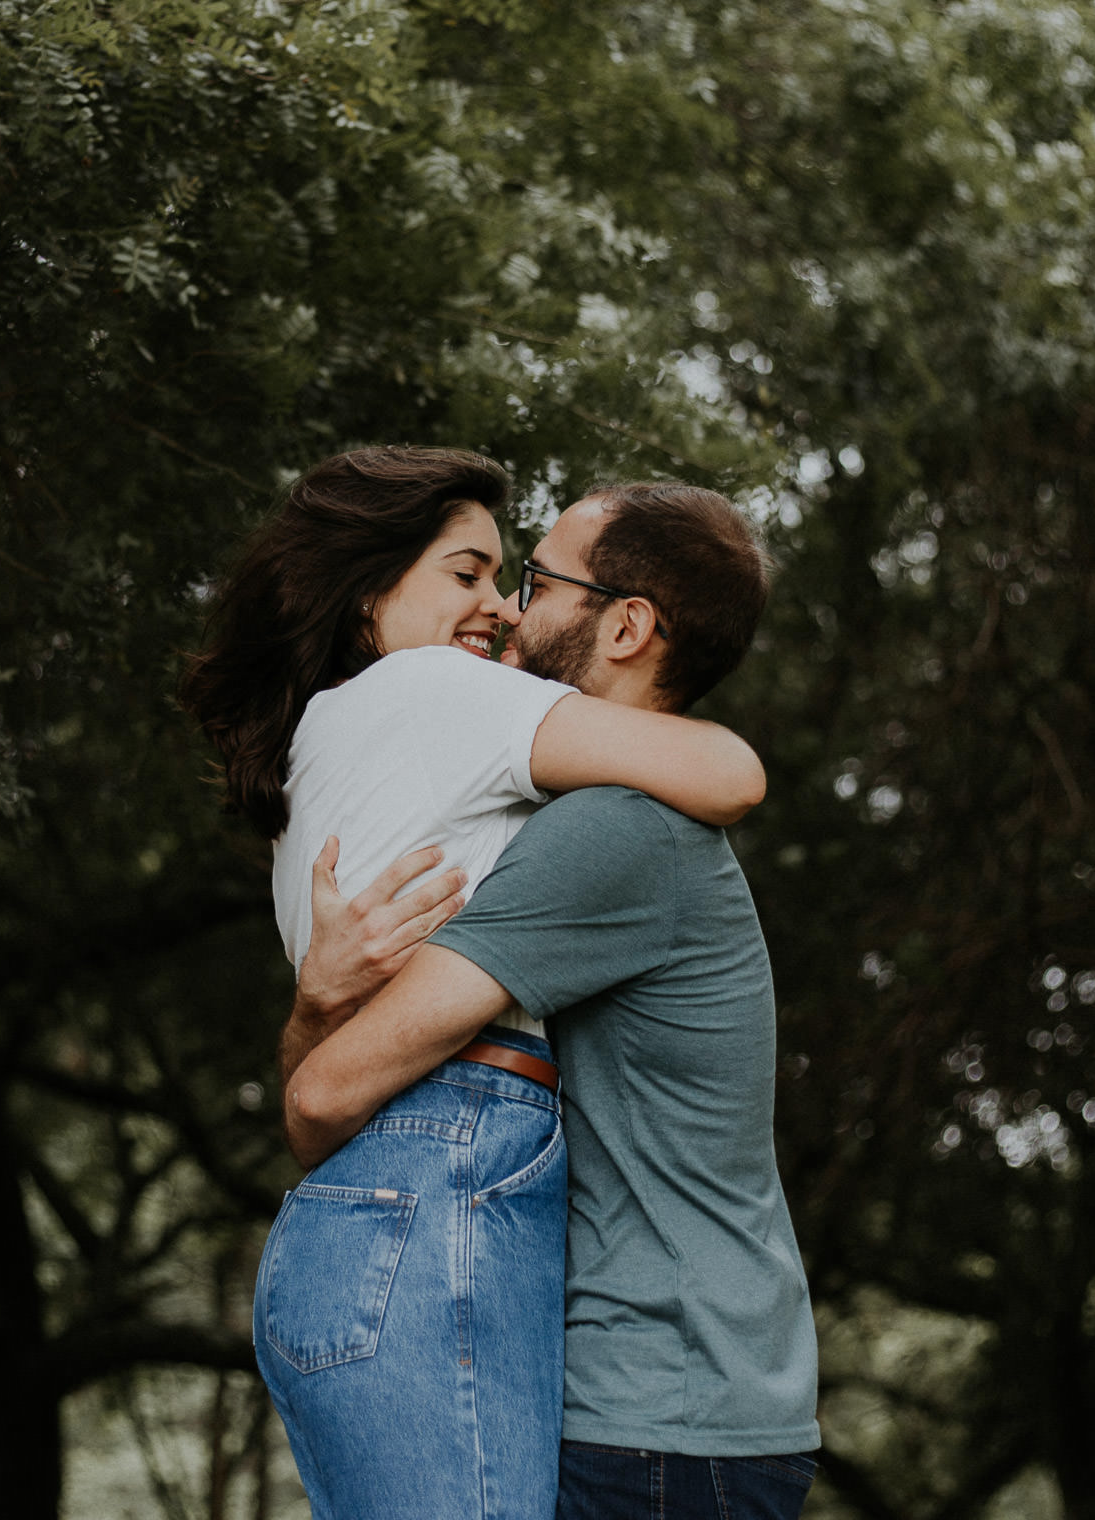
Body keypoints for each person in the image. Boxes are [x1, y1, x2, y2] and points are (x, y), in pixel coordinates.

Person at [179, 447, 768, 1520]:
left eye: (513, 581)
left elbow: (316, 1111)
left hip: (365, 1197)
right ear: (368, 596)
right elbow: (732, 774)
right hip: (449, 1174)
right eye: (470, 575)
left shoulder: (328, 738)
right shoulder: (432, 690)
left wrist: (313, 1008)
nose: (498, 611)